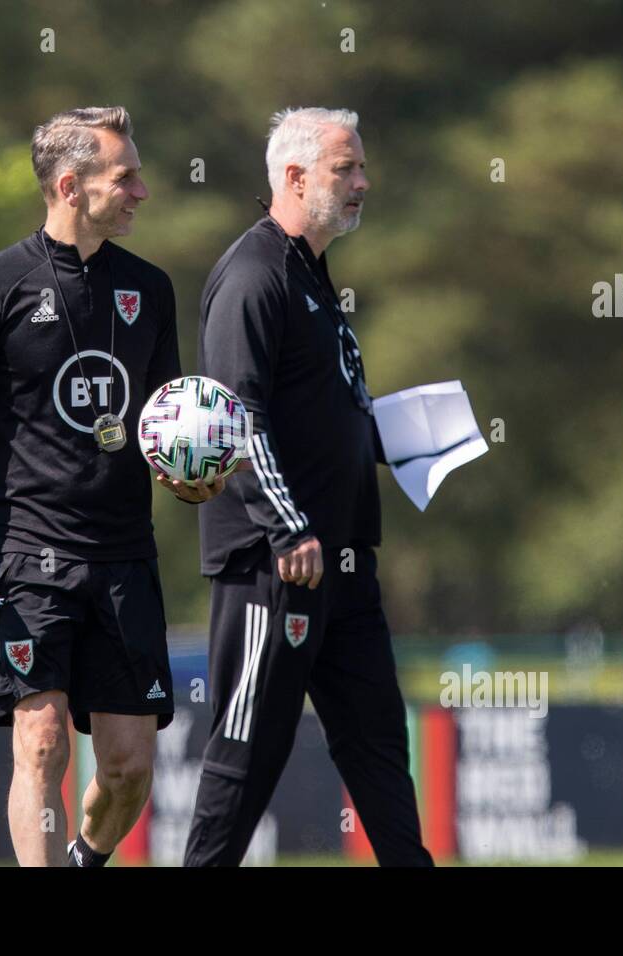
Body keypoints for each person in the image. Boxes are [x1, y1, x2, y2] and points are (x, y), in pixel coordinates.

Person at [0, 107, 225, 867]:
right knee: (42, 742)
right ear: (68, 185)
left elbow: (162, 419)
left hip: (125, 558)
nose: (142, 193)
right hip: (28, 558)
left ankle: (83, 859)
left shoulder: (149, 289)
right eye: (126, 178)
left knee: (128, 770)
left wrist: (191, 473)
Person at [184, 108, 436, 866]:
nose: (363, 182)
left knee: (379, 750)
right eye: (345, 169)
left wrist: (397, 438)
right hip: (278, 563)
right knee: (248, 751)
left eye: (361, 168)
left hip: (346, 565)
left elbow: (318, 413)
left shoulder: (312, 277)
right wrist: (289, 526)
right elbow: (235, 415)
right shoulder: (254, 273)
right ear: (294, 178)